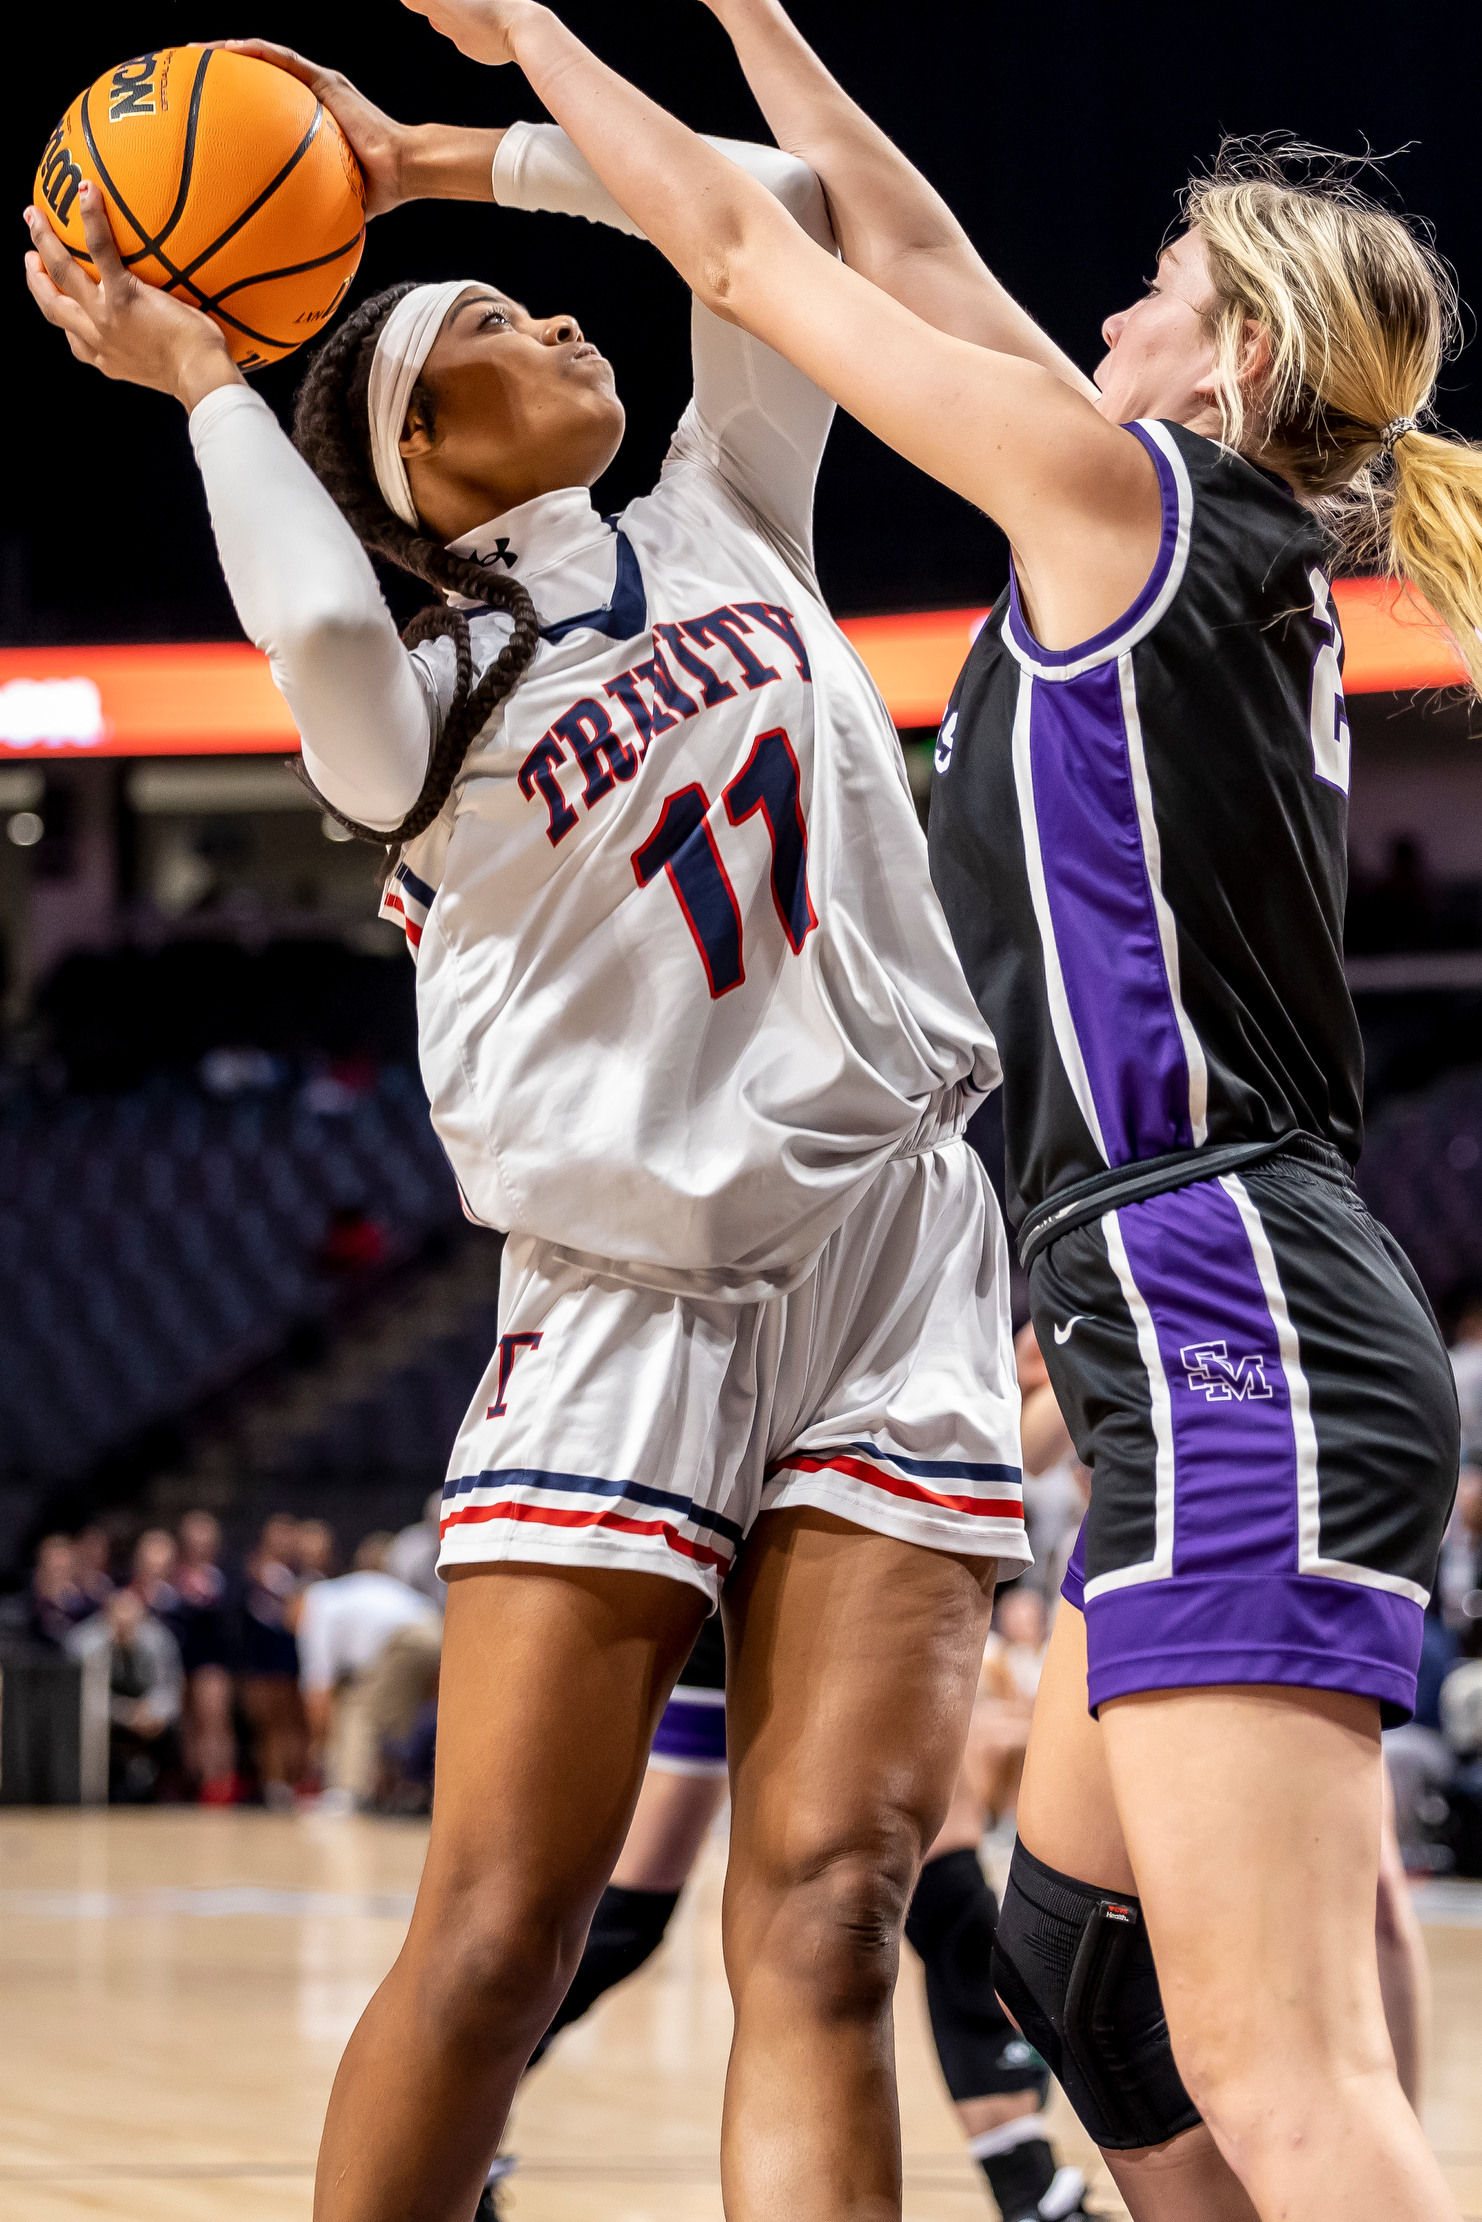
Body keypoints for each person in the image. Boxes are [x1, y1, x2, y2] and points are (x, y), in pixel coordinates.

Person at [326, 4, 1474, 2217]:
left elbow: (770, 271)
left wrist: (516, 75)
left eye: (1154, 286)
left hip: (1226, 1291)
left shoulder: (1131, 497)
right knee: (1085, 1975)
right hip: (1182, 1303)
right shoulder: (1173, 516)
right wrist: (752, 15)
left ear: (1223, 368)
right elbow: (895, 223)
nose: (1106, 307)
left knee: (1284, 2063)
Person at [24, 25, 1029, 2219]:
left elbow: (788, 206)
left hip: (899, 1262)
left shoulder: (727, 508)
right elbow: (299, 598)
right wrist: (203, 377)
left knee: (834, 1920)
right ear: (415, 452)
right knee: (497, 1938)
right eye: (491, 322)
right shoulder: (414, 707)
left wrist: (436, 160)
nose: (563, 312)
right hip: (625, 1306)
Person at [483, 1610, 1090, 2222]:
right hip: (710, 1590)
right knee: (623, 1918)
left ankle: (1028, 2186)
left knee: (944, 1906)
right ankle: (458, 2126)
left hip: (855, 1578)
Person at [284, 1536, 444, 1807]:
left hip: (407, 1638)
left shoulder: (316, 1606)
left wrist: (318, 1745)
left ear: (296, 1601)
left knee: (358, 1712)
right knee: (396, 1721)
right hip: (435, 1630)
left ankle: (348, 1794)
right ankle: (395, 1790)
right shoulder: (340, 1594)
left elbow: (318, 1692)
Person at [66, 1585, 185, 1803]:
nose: (124, 1626)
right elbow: (84, 1697)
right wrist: (125, 1714)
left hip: (148, 1717)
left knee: (173, 1732)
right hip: (103, 1717)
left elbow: (170, 1689)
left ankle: (167, 1794)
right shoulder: (85, 1644)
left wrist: (151, 1711)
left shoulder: (159, 1641)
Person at [174, 1509, 239, 1804]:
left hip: (213, 1659)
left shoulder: (226, 1577)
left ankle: (219, 1783)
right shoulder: (174, 1575)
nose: (199, 1544)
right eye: (193, 1538)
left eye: (205, 1538)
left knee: (214, 1721)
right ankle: (192, 1782)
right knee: (188, 1723)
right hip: (178, 1658)